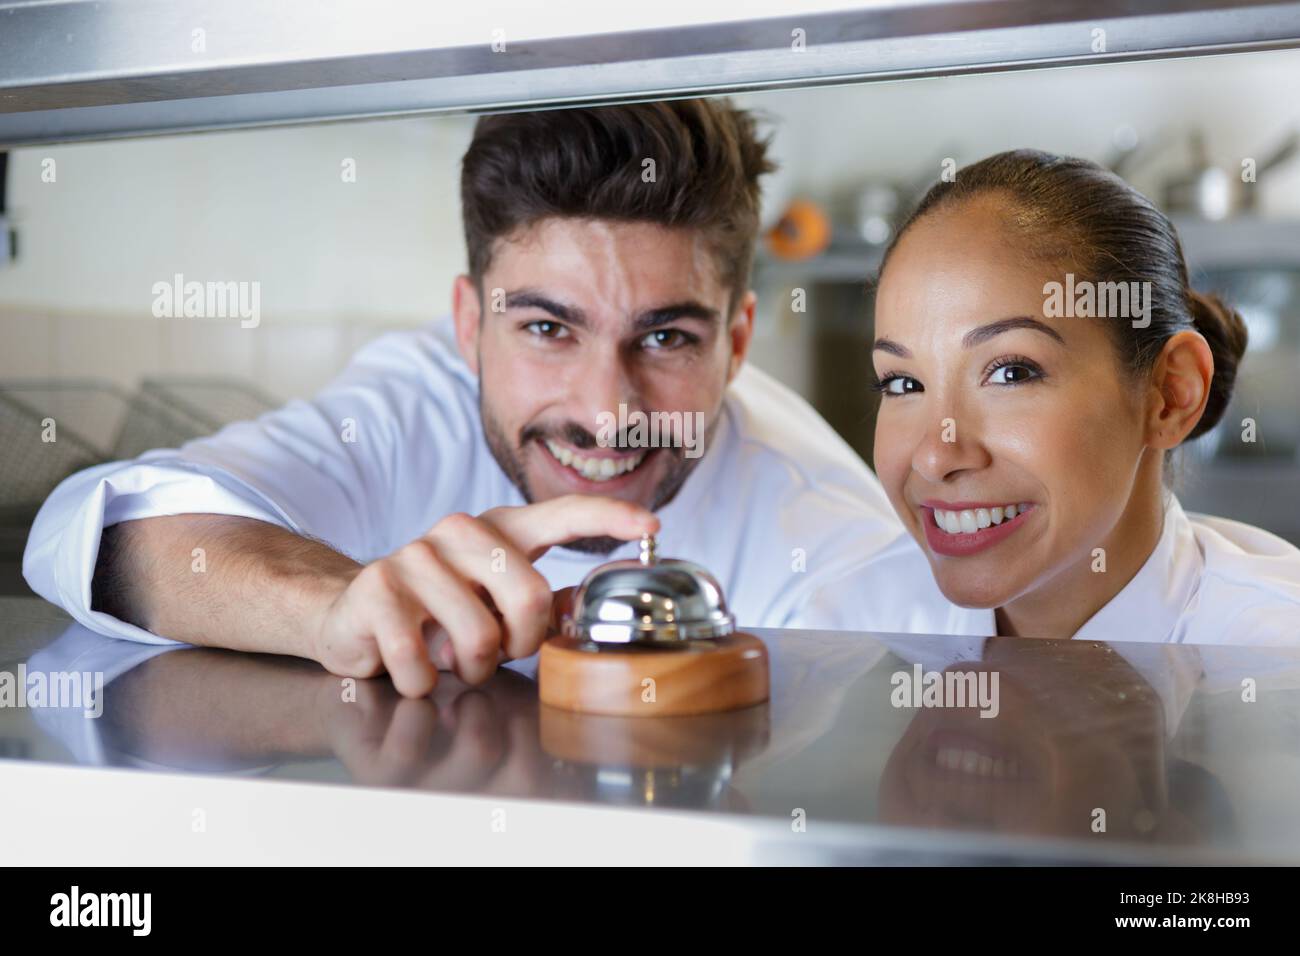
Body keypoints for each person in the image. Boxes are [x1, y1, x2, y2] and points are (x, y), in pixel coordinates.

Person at [23, 99, 903, 697]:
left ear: (739, 341)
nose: (605, 413)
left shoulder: (824, 541)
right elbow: (104, 529)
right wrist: (341, 603)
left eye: (667, 338)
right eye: (548, 329)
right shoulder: (415, 404)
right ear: (467, 323)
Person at [799, 149, 1300, 643]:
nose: (935, 455)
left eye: (1011, 373)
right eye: (904, 384)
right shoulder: (847, 632)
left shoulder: (1274, 657)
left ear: (1170, 393)